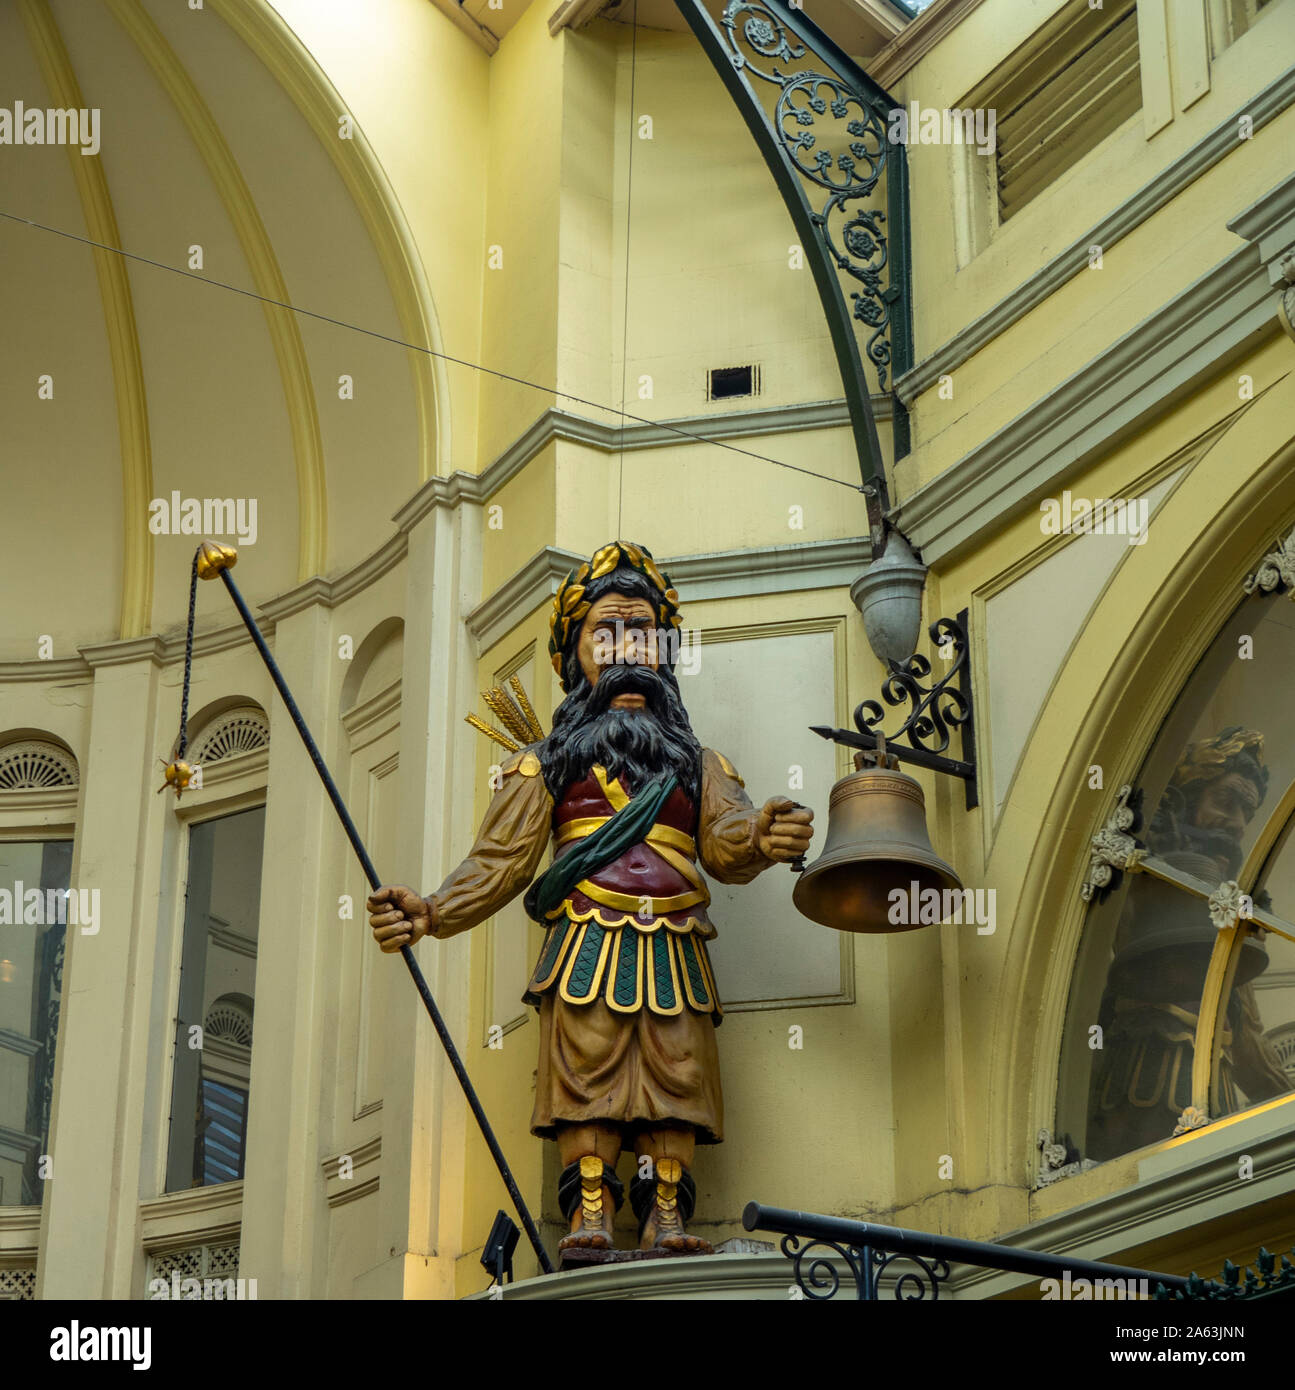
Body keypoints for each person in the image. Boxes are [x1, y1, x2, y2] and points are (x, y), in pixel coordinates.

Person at [368, 541, 813, 1255]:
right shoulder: (542, 762)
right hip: (585, 933)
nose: (627, 650)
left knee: (678, 1068)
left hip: (673, 936)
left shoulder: (701, 764)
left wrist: (762, 835)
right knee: (587, 1066)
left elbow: (727, 842)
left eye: (643, 633)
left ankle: (667, 1211)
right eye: (605, 633)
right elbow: (500, 862)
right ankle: (589, 1212)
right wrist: (432, 911)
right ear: (569, 657)